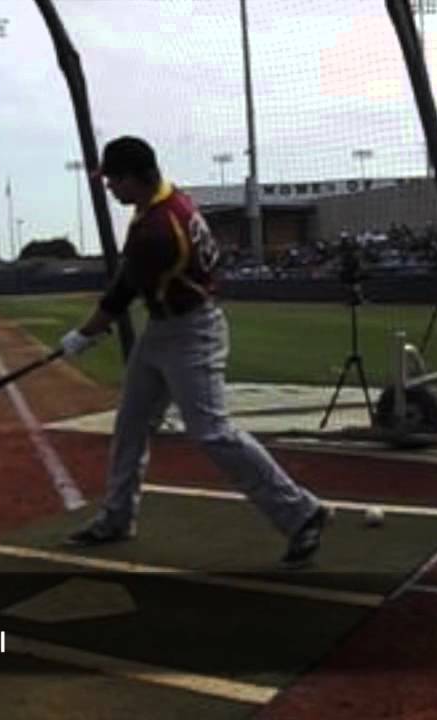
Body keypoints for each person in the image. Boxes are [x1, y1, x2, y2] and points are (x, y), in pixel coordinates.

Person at [58, 136, 329, 568]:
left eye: (113, 179)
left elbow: (120, 295)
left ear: (135, 177)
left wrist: (82, 336)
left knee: (212, 432)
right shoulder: (168, 198)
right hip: (164, 327)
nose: (108, 187)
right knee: (130, 424)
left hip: (191, 332)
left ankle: (300, 512)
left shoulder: (157, 231)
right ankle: (117, 517)